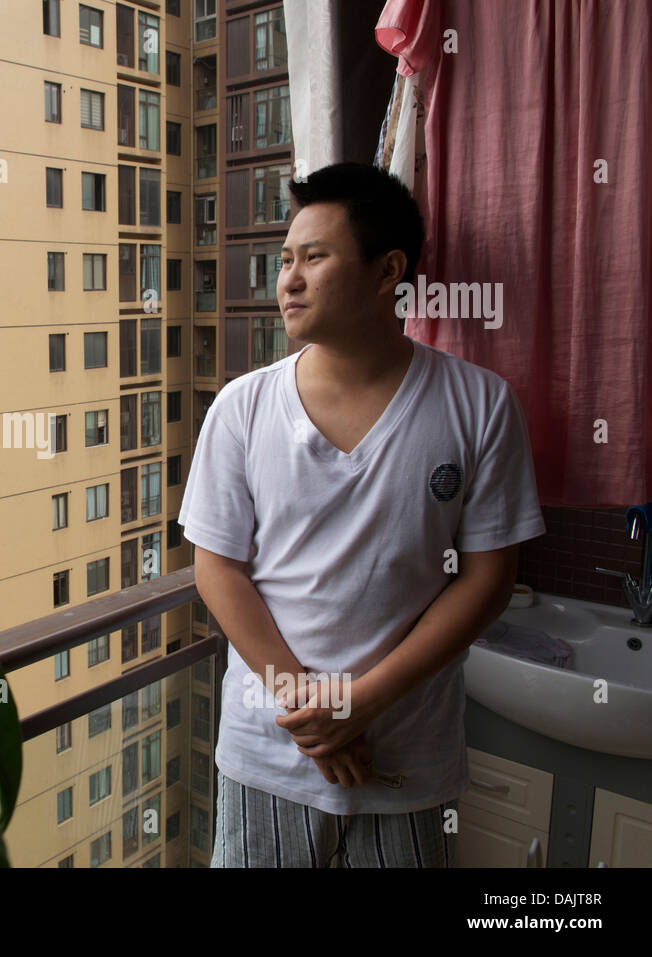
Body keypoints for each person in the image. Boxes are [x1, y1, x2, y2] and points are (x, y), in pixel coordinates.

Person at [178, 162, 545, 868]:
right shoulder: (242, 407)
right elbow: (218, 567)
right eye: (285, 260)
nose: (288, 279)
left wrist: (364, 703)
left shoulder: (479, 406)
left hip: (407, 762)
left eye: (314, 257)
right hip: (267, 756)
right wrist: (312, 713)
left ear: (388, 273)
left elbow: (488, 579)